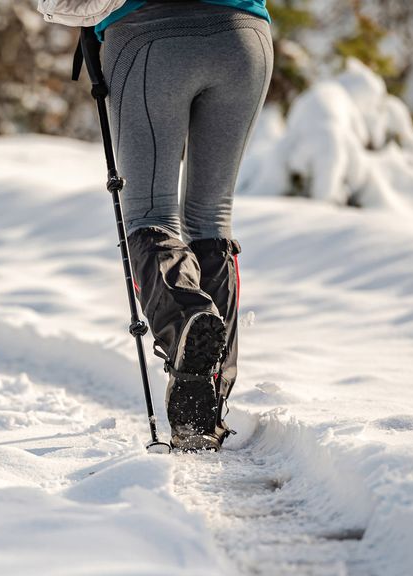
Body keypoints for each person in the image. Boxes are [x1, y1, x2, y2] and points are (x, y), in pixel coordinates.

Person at [99, 0, 273, 450]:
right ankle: (206, 404)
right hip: (244, 38)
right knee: (211, 216)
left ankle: (187, 316)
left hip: (148, 37)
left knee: (151, 214)